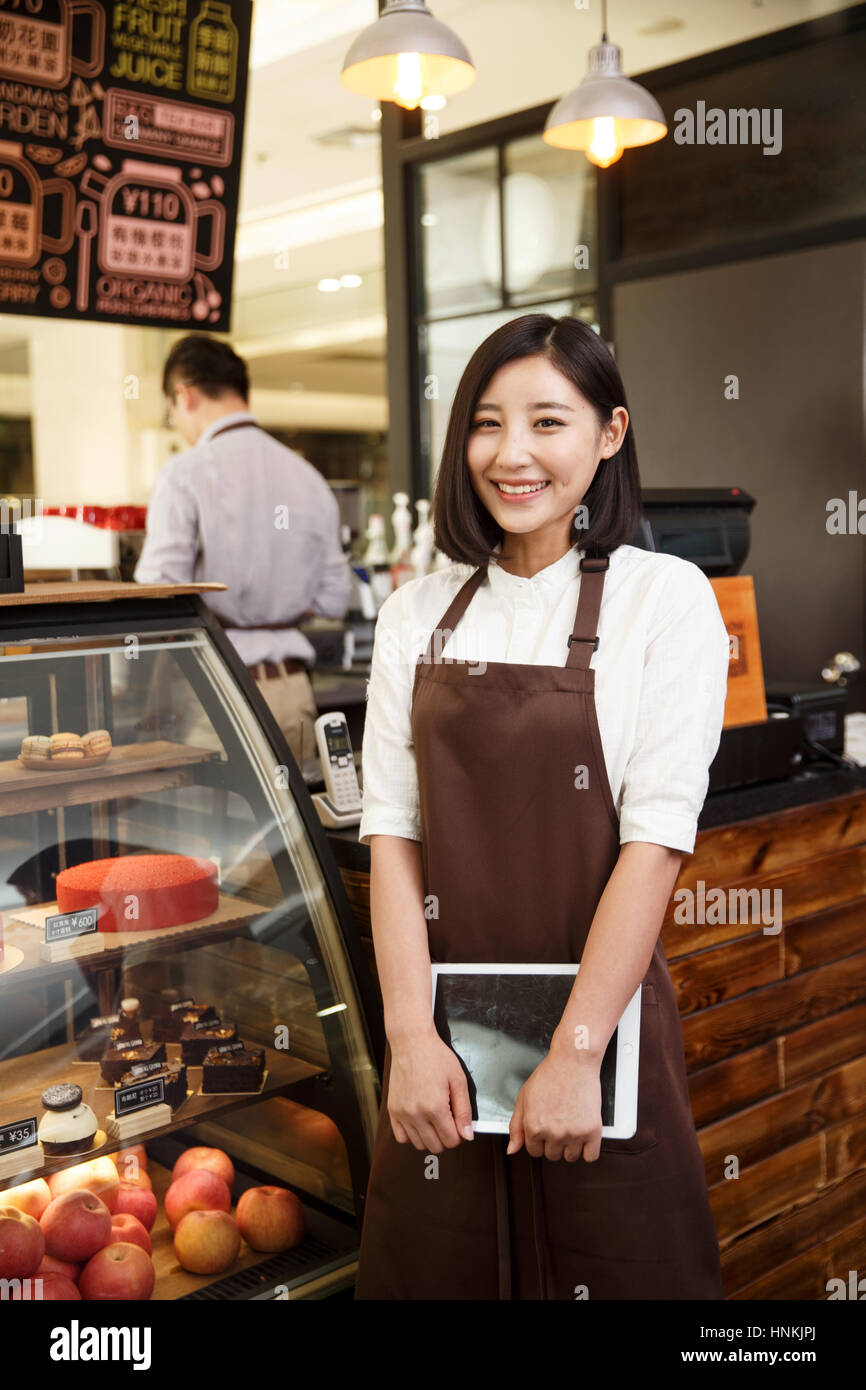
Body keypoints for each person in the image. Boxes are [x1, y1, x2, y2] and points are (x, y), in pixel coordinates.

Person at [354, 313, 730, 1300]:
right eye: (485, 423)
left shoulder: (664, 599)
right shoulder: (414, 612)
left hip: (599, 1034)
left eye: (546, 422)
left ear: (608, 434)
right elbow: (391, 836)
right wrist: (406, 1035)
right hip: (444, 1045)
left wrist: (573, 1054)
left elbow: (653, 842)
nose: (510, 453)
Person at [134, 334, 352, 766]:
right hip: (294, 696)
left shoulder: (184, 474)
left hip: (212, 695)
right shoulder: (308, 477)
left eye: (171, 410)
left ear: (185, 395)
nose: (176, 421)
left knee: (207, 833)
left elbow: (157, 594)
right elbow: (333, 598)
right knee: (293, 833)